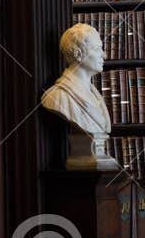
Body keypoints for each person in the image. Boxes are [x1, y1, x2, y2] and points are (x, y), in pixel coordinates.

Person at [41, 23, 117, 169]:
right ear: (77, 53)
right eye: (97, 49)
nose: (104, 55)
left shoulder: (95, 95)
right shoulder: (56, 97)